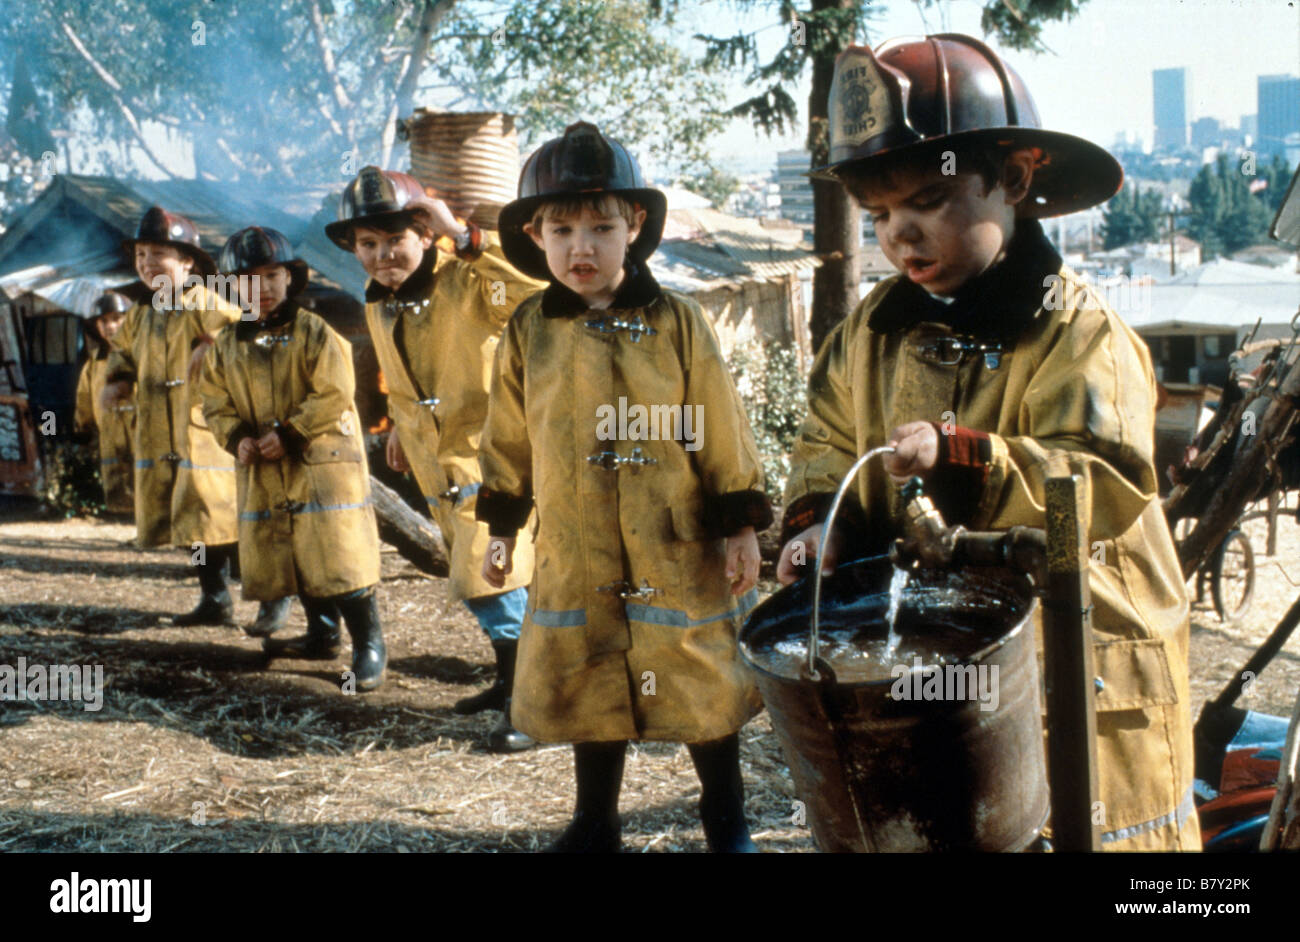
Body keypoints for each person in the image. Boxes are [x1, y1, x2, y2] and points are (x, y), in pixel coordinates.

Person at [774, 35, 1199, 850]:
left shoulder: (1080, 333)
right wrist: (819, 521)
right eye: (880, 216)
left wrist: (969, 452)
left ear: (1013, 179)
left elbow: (1099, 486)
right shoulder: (873, 331)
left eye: (927, 204)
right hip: (945, 657)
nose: (900, 236)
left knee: (1083, 827)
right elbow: (827, 437)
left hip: (1075, 645)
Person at [479, 122, 773, 852]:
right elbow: (509, 435)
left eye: (602, 227)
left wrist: (740, 524)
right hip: (577, 547)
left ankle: (725, 814)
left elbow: (719, 427)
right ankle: (595, 820)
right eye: (563, 228)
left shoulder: (677, 321)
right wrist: (502, 525)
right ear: (536, 235)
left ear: (634, 227)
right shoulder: (529, 330)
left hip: (676, 543)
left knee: (702, 681)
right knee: (591, 675)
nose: (582, 247)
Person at [327, 167, 544, 746]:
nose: (381, 256)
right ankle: (508, 681)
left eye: (395, 240)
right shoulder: (380, 303)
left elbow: (535, 293)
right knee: (481, 575)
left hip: (489, 455)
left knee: (495, 575)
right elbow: (399, 378)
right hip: (435, 461)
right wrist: (400, 421)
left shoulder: (467, 281)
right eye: (367, 245)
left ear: (425, 235)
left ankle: (533, 706)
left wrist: (469, 237)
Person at [200, 227, 386, 691]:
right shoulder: (226, 345)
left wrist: (291, 432)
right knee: (293, 553)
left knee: (338, 555)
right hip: (266, 467)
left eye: (271, 276)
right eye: (245, 279)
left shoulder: (313, 332)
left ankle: (370, 646)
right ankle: (322, 634)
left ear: (290, 278)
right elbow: (215, 402)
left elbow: (335, 392)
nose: (260, 289)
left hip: (321, 466)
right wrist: (237, 436)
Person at [102, 207, 244, 626]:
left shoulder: (205, 300)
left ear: (187, 261)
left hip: (204, 433)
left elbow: (238, 330)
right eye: (141, 255)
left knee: (220, 516)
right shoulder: (141, 314)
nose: (147, 264)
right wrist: (118, 378)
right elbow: (122, 353)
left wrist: (211, 342)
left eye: (158, 254)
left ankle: (272, 594)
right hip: (162, 436)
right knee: (187, 522)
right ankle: (214, 597)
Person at [74, 291, 135, 514]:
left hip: (140, 428)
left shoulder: (141, 352)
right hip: (109, 429)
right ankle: (128, 520)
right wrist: (83, 426)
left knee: (146, 477)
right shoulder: (96, 360)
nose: (110, 326)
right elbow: (84, 395)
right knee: (117, 478)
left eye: (116, 319)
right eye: (104, 321)